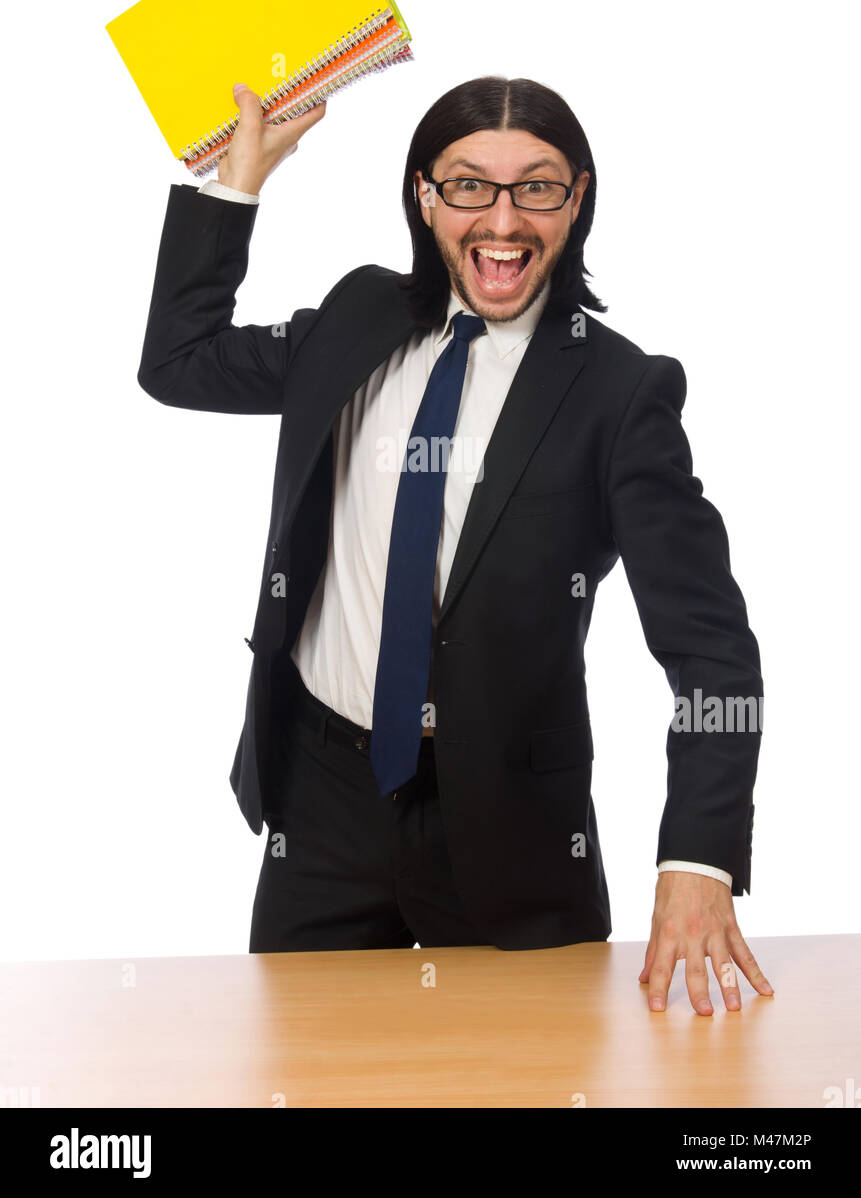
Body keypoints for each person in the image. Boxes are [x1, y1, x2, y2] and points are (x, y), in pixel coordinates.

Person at [138, 75, 772, 1014]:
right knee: (306, 1082)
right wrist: (238, 183)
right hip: (321, 806)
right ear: (424, 198)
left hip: (514, 828)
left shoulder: (619, 394)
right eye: (469, 185)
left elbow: (711, 649)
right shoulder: (356, 318)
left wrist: (697, 858)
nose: (502, 218)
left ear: (577, 201)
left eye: (538, 187)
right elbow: (179, 363)